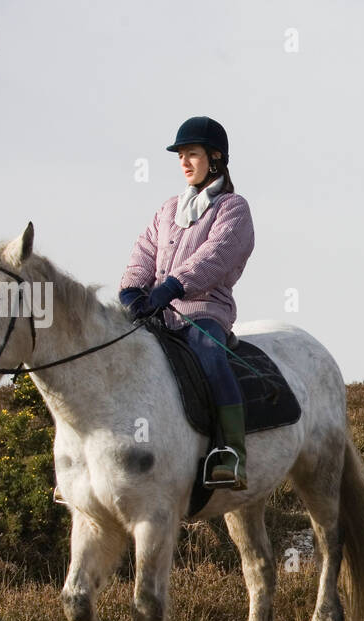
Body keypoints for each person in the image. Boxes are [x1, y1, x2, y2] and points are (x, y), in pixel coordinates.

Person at [119, 116, 256, 488]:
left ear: (215, 158)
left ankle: (231, 453)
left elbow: (216, 255)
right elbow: (144, 250)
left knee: (210, 354)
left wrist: (174, 286)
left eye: (191, 154)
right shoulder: (168, 210)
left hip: (204, 311)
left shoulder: (233, 208)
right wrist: (132, 289)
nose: (184, 162)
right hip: (157, 314)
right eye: (180, 155)